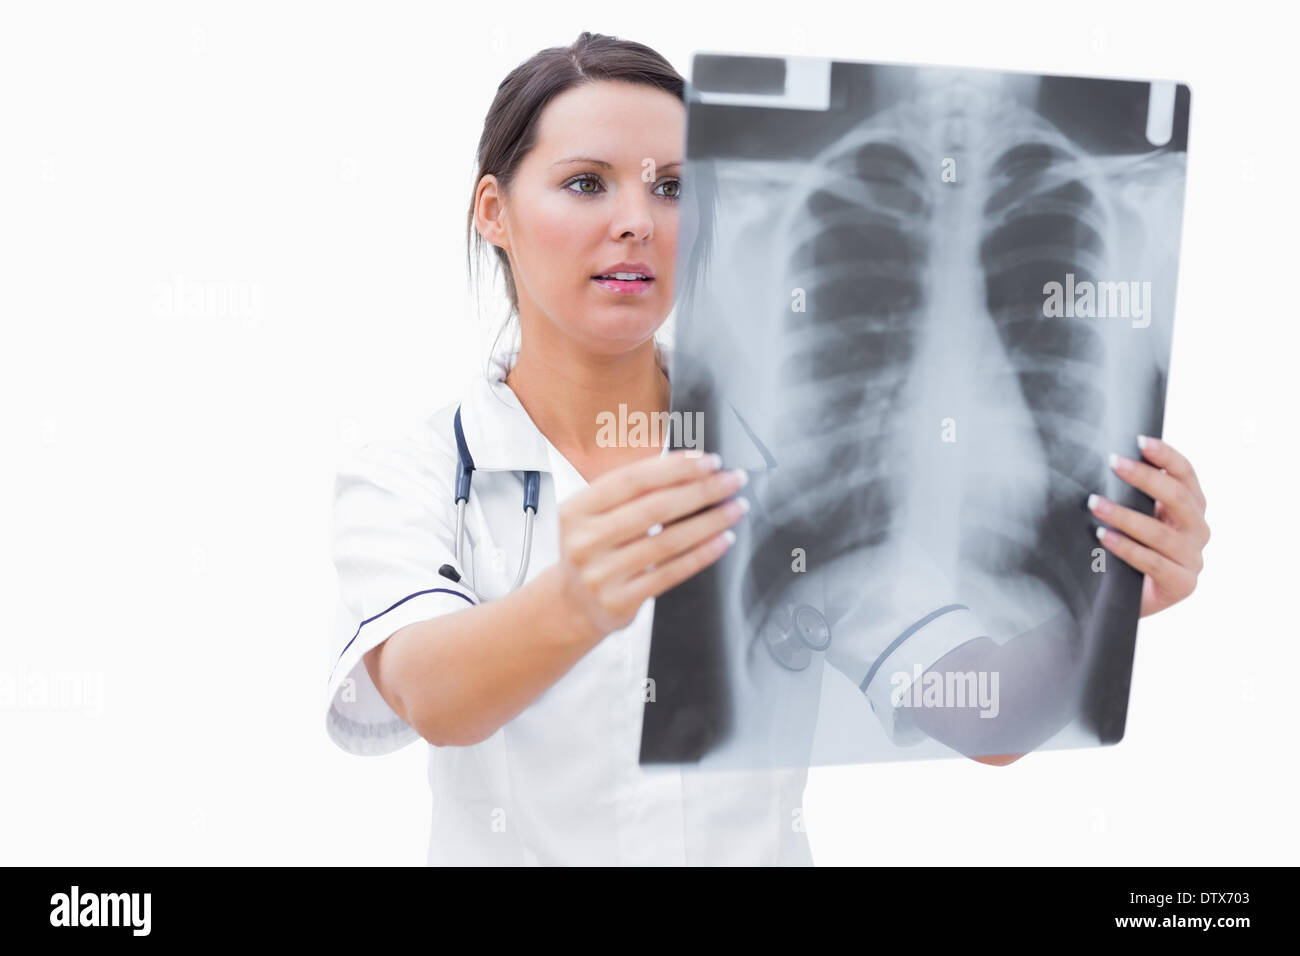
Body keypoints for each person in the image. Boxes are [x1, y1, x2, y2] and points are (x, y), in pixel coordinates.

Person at [323, 31, 1211, 864]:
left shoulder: (776, 466)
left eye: (671, 187)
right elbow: (429, 696)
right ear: (495, 211)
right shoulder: (416, 473)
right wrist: (574, 600)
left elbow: (984, 715)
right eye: (587, 182)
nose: (637, 220)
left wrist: (1110, 601)